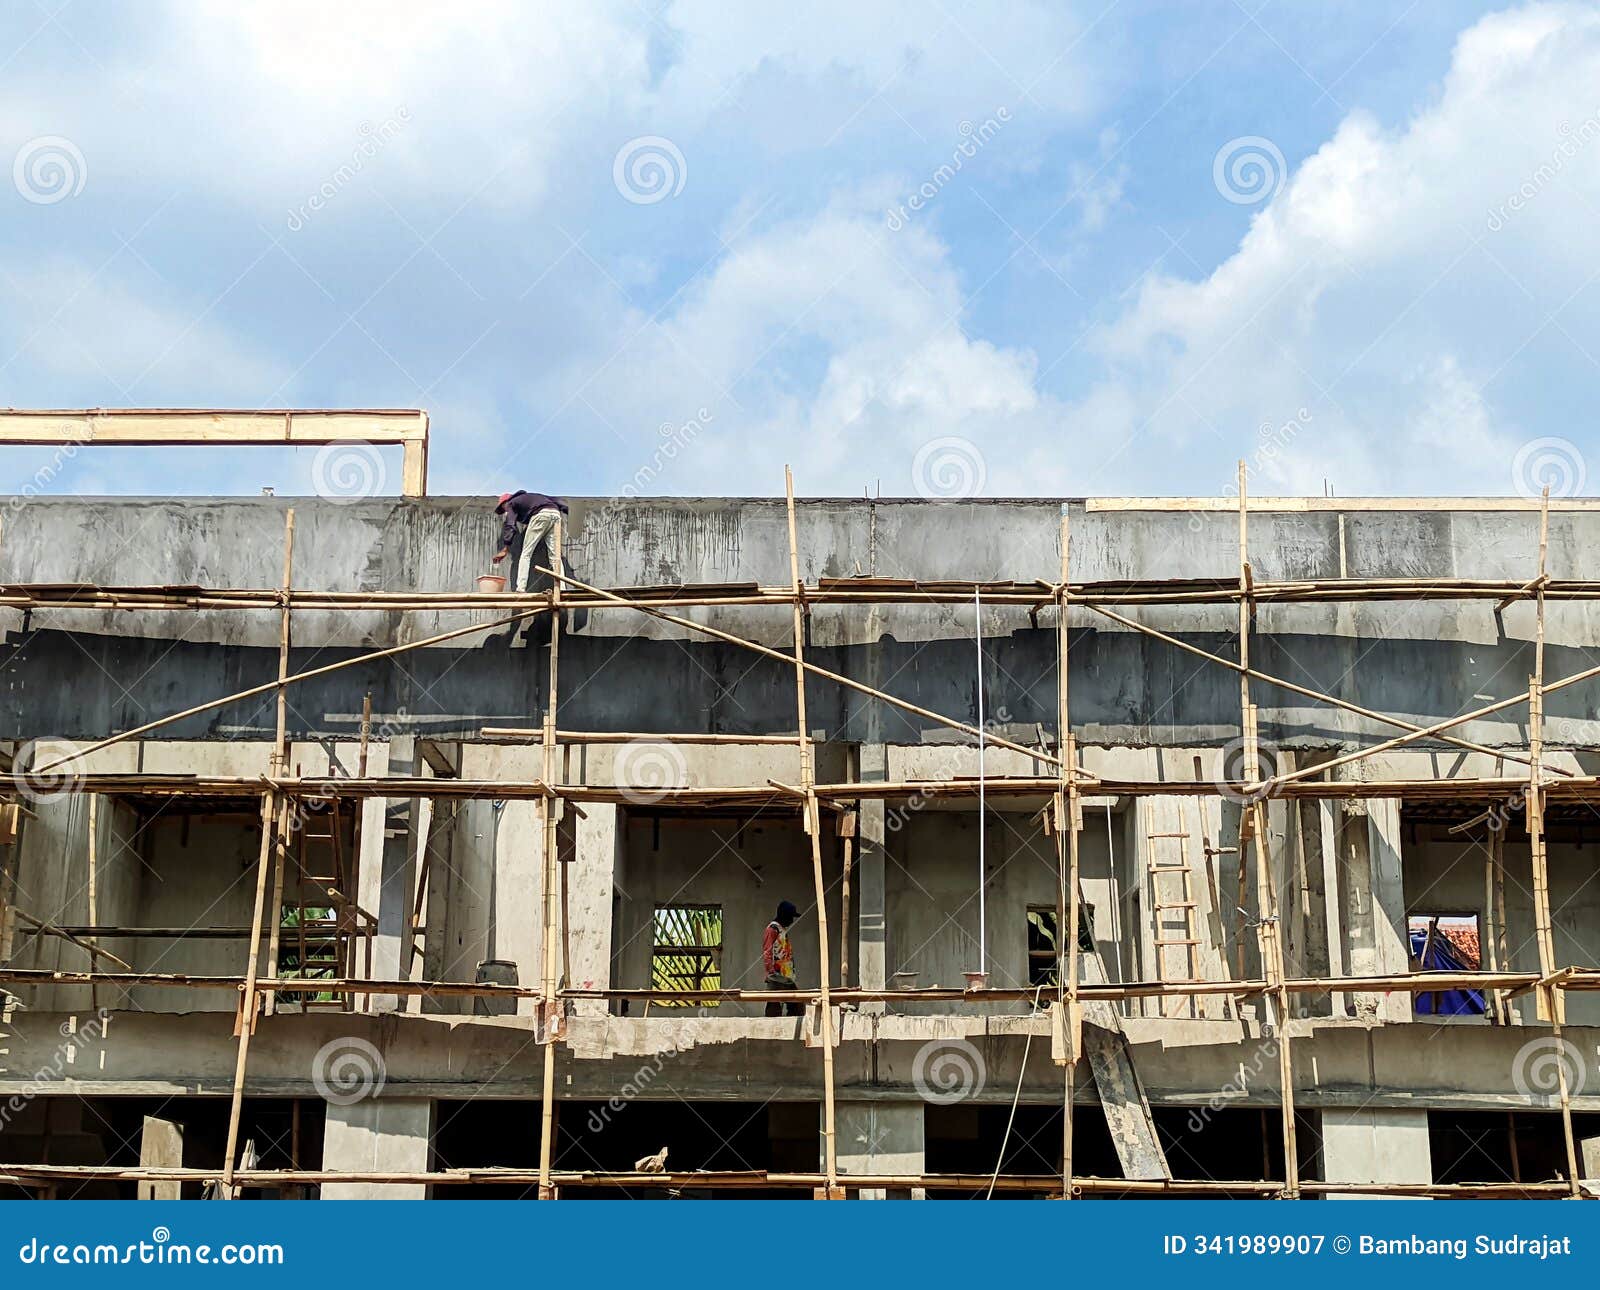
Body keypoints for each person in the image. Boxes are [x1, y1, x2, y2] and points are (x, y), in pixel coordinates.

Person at [492, 490, 569, 589]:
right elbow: (559, 501)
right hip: (555, 514)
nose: (506, 511)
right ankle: (562, 588)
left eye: (504, 508)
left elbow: (510, 525)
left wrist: (505, 549)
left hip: (540, 515)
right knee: (555, 556)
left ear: (505, 502)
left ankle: (520, 588)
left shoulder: (511, 503)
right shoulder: (532, 497)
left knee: (526, 554)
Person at [763, 900, 803, 1017]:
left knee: (797, 1005)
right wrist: (770, 973)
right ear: (784, 916)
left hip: (786, 977)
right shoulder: (772, 929)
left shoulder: (782, 929)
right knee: (774, 1007)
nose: (792, 921)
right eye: (791, 917)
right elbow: (767, 951)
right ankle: (771, 1031)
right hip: (776, 976)